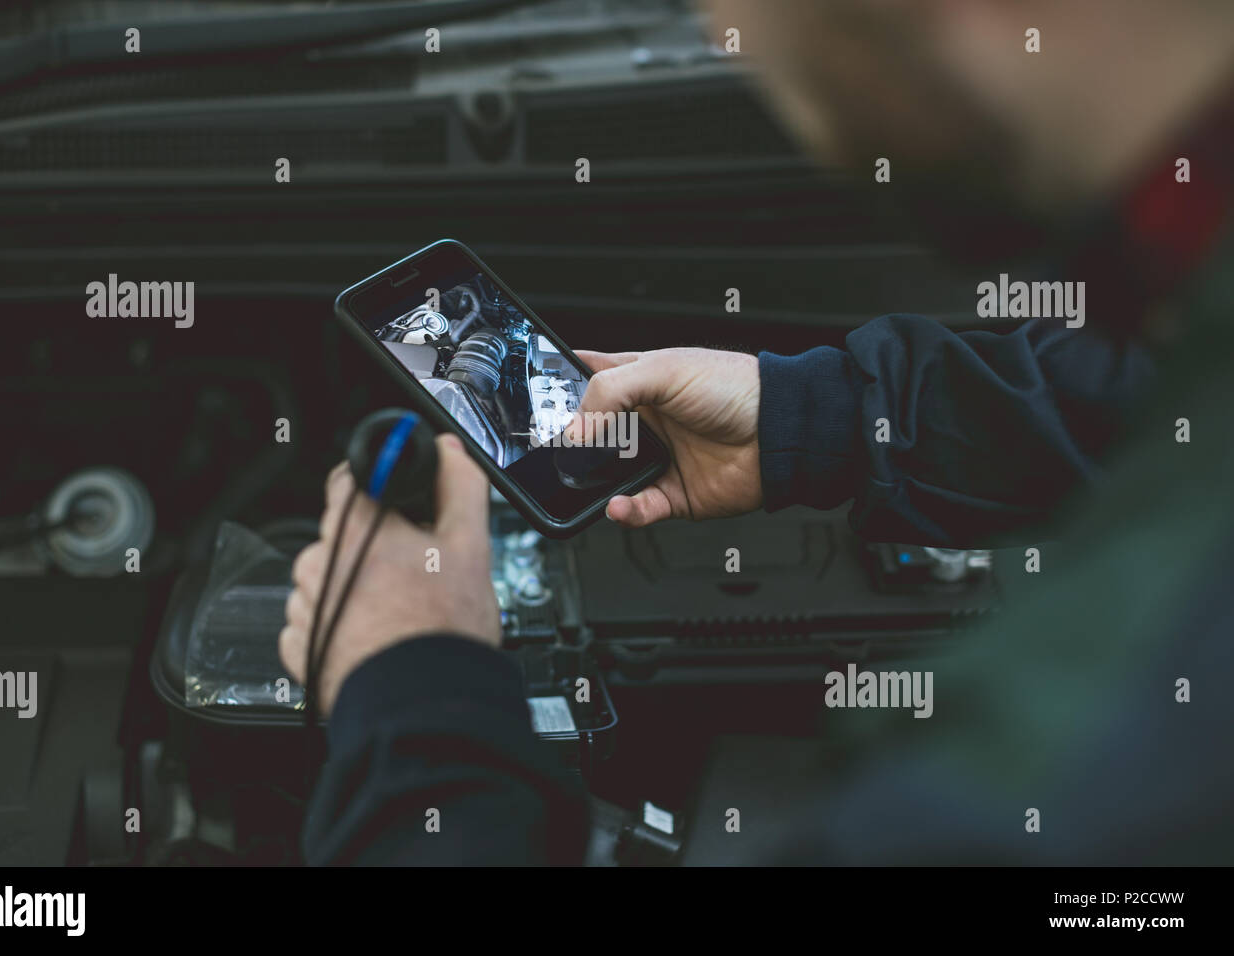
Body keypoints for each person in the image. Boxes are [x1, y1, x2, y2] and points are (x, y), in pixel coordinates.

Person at [280, 0, 1234, 864]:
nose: (722, 43)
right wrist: (816, 415)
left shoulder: (1068, 769)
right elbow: (1156, 397)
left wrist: (417, 703)